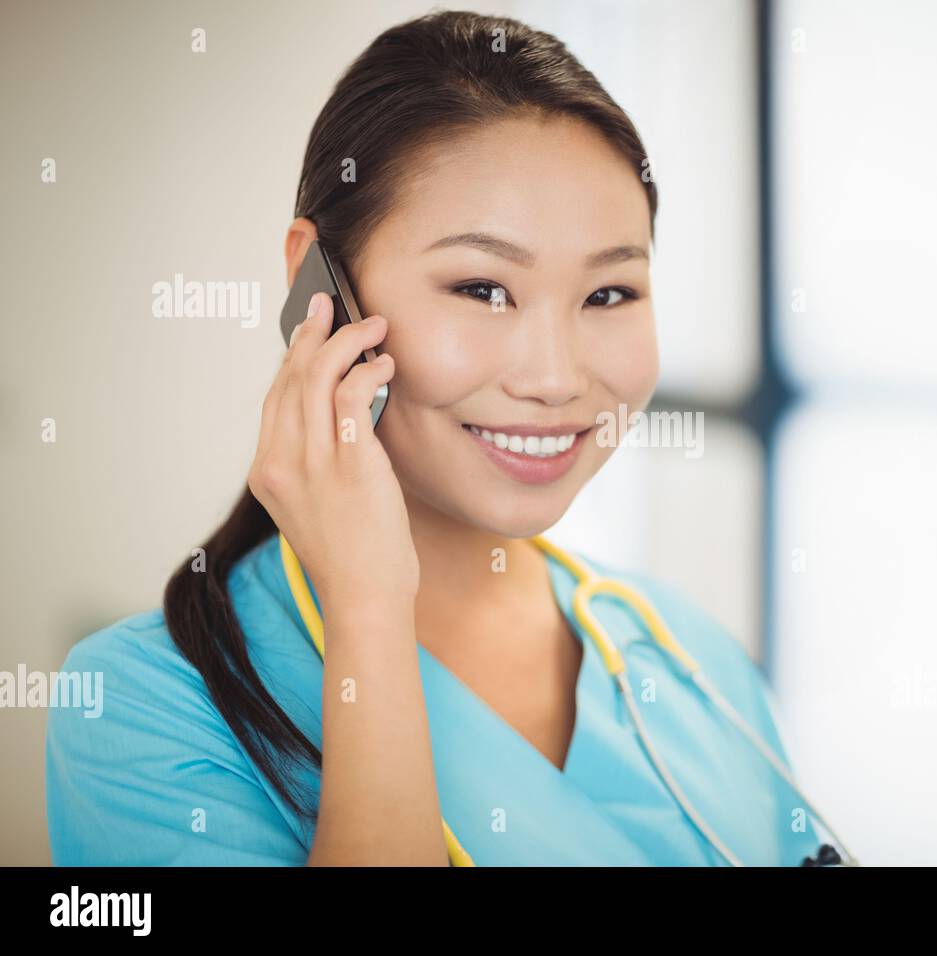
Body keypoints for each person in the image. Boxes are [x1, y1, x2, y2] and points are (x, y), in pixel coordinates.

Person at [45, 8, 824, 866]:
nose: (557, 377)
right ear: (320, 289)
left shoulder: (689, 657)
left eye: (609, 294)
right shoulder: (143, 706)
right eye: (483, 289)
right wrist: (370, 608)